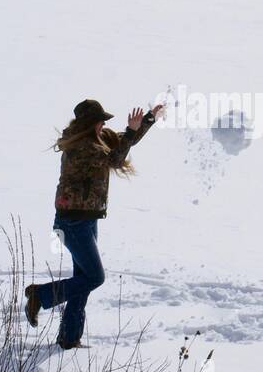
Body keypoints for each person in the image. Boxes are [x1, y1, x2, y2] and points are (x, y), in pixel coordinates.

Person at [25, 98, 163, 349]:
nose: (104, 125)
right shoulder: (83, 147)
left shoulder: (94, 140)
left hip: (85, 221)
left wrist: (146, 121)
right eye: (101, 121)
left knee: (83, 280)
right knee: (94, 277)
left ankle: (69, 338)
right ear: (91, 123)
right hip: (72, 223)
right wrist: (131, 132)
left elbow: (123, 142)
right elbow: (116, 159)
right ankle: (40, 295)